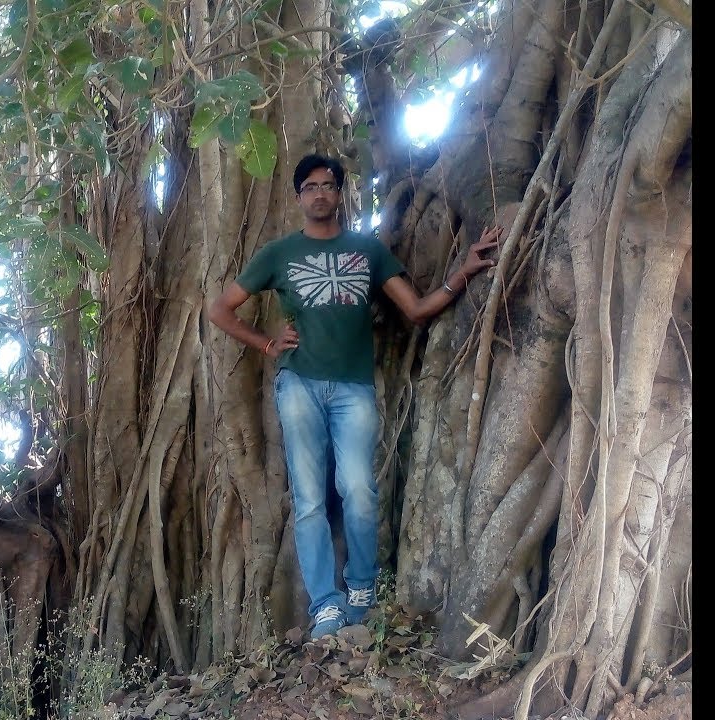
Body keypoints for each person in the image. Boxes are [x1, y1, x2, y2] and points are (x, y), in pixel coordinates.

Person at [207, 153, 501, 639]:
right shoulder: (278, 254)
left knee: (359, 491)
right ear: (299, 197)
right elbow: (220, 308)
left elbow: (418, 309)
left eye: (329, 185)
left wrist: (465, 270)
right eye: (311, 187)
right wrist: (265, 342)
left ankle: (361, 588)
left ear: (340, 194)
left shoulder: (367, 251)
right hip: (298, 384)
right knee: (308, 500)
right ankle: (325, 604)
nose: (320, 193)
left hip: (353, 390)